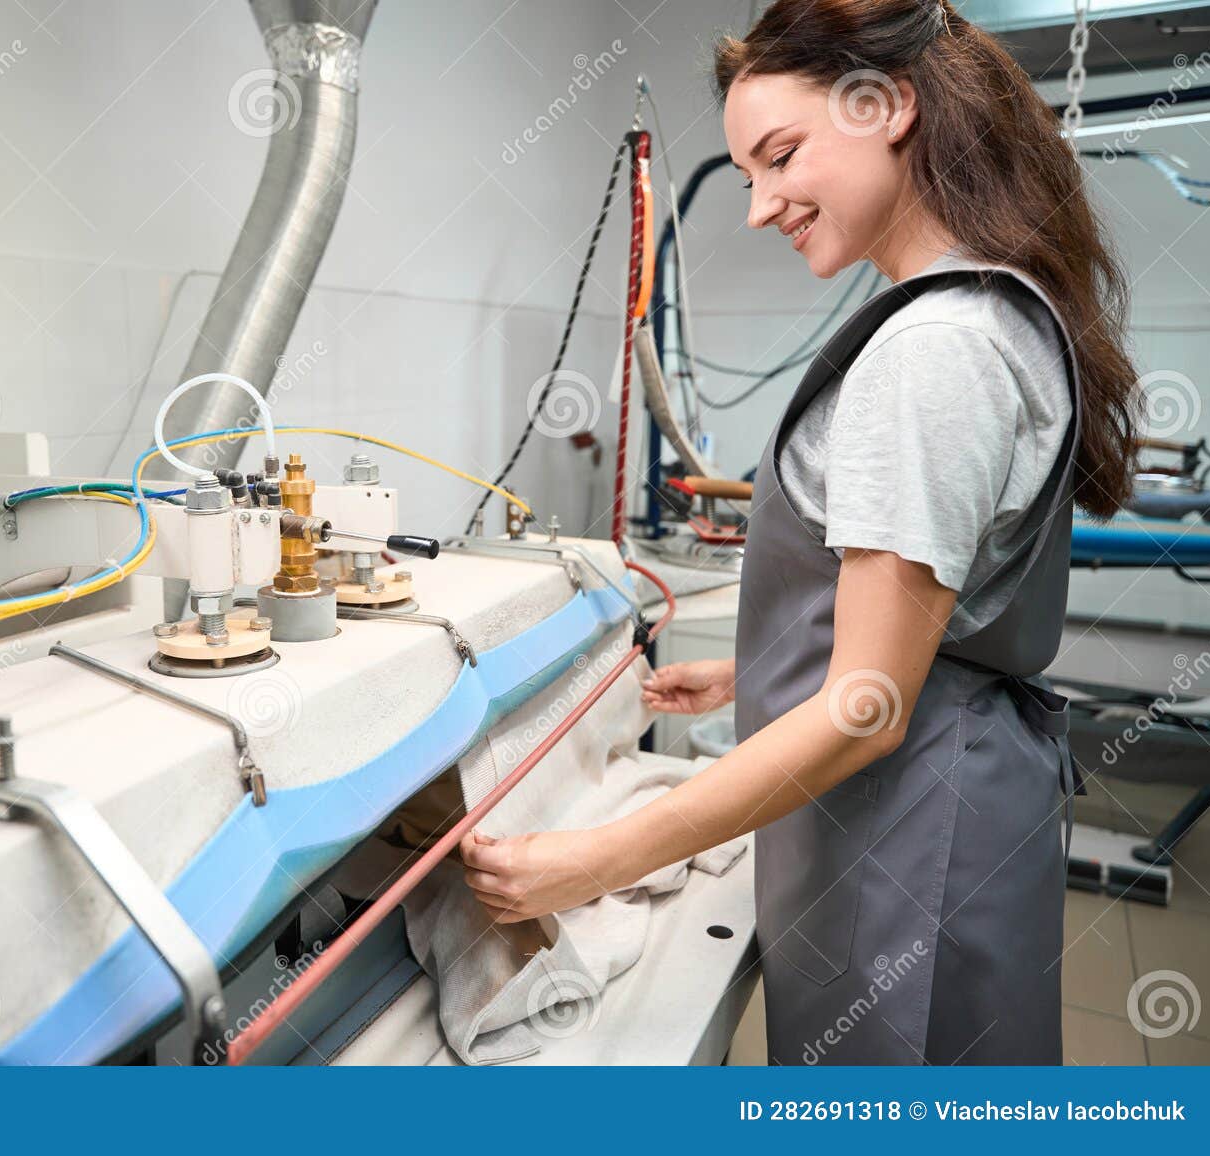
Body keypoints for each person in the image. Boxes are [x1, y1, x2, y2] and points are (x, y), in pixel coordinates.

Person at [460, 0, 1139, 1064]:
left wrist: (592, 859)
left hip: (910, 829)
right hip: (943, 794)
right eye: (744, 177)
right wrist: (752, 674)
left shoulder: (932, 351)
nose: (759, 206)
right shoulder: (987, 312)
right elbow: (925, 623)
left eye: (779, 157)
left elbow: (866, 715)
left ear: (889, 107)